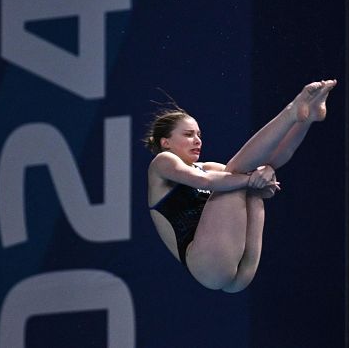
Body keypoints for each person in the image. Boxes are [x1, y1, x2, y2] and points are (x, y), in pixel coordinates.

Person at [144, 80, 336, 292]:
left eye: (199, 135)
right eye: (188, 135)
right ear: (165, 142)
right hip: (206, 263)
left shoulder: (207, 167)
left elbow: (264, 188)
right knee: (237, 174)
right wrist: (252, 179)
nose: (197, 141)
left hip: (237, 270)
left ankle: (305, 119)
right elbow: (206, 182)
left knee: (248, 175)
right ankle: (292, 112)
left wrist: (265, 176)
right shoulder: (162, 162)